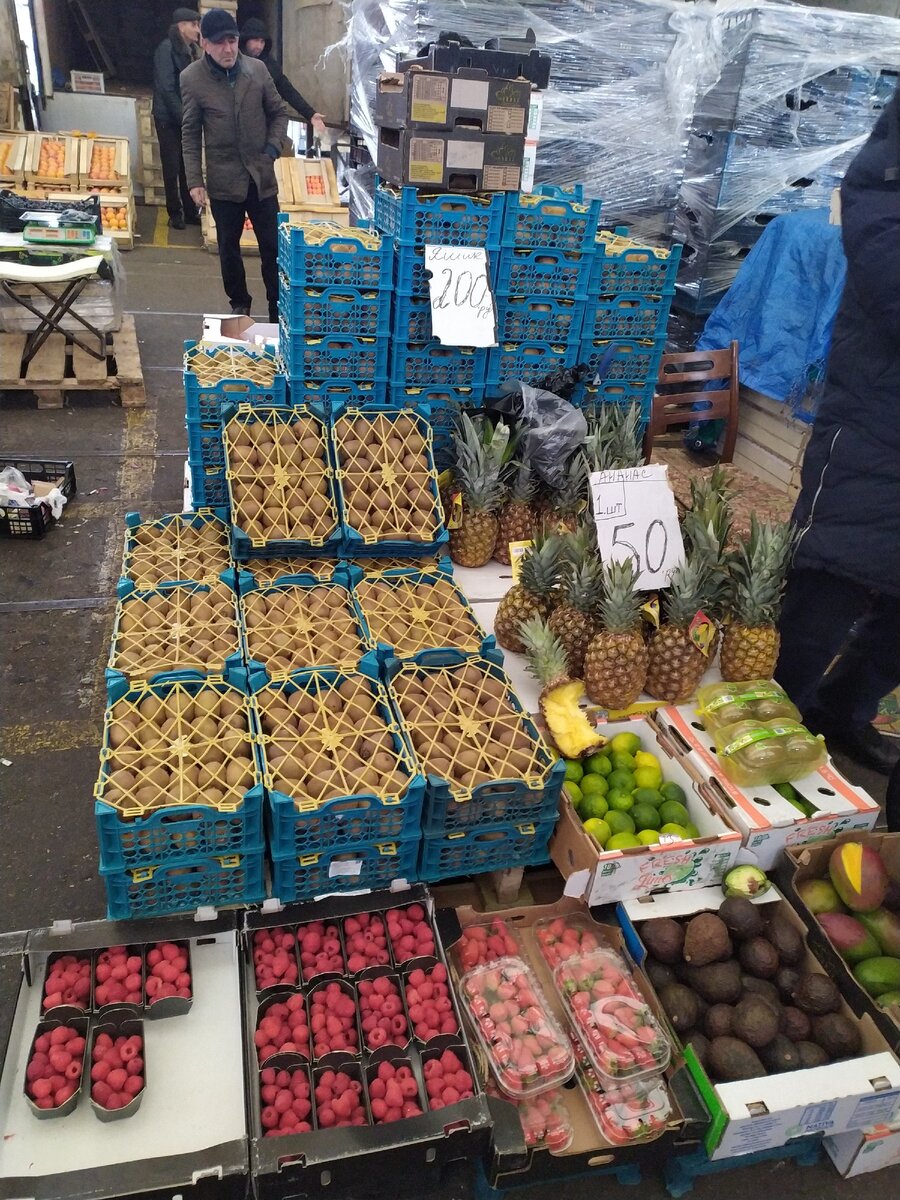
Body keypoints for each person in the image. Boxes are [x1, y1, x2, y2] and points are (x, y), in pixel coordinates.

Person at [775, 86, 900, 776]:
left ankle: (843, 710)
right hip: (884, 409)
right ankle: (763, 719)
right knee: (829, 578)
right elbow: (880, 226)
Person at [181, 8, 288, 321]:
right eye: (220, 42)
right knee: (229, 247)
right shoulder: (192, 79)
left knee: (273, 247)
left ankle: (277, 307)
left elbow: (278, 112)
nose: (228, 49)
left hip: (261, 176)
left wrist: (271, 148)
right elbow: (189, 132)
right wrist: (194, 181)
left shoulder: (257, 70)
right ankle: (239, 304)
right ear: (205, 43)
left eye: (232, 41)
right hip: (224, 178)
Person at [152, 7, 201, 230]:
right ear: (181, 26)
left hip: (184, 117)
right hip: (168, 118)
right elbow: (166, 88)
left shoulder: (190, 50)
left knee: (186, 165)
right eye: (194, 25)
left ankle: (191, 211)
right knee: (171, 166)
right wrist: (184, 118)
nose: (197, 30)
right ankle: (175, 212)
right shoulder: (166, 49)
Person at [238, 18, 326, 140]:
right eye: (255, 40)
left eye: (262, 41)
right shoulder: (234, 63)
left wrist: (310, 113)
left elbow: (287, 89)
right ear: (245, 40)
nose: (259, 46)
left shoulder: (268, 64)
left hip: (262, 130)